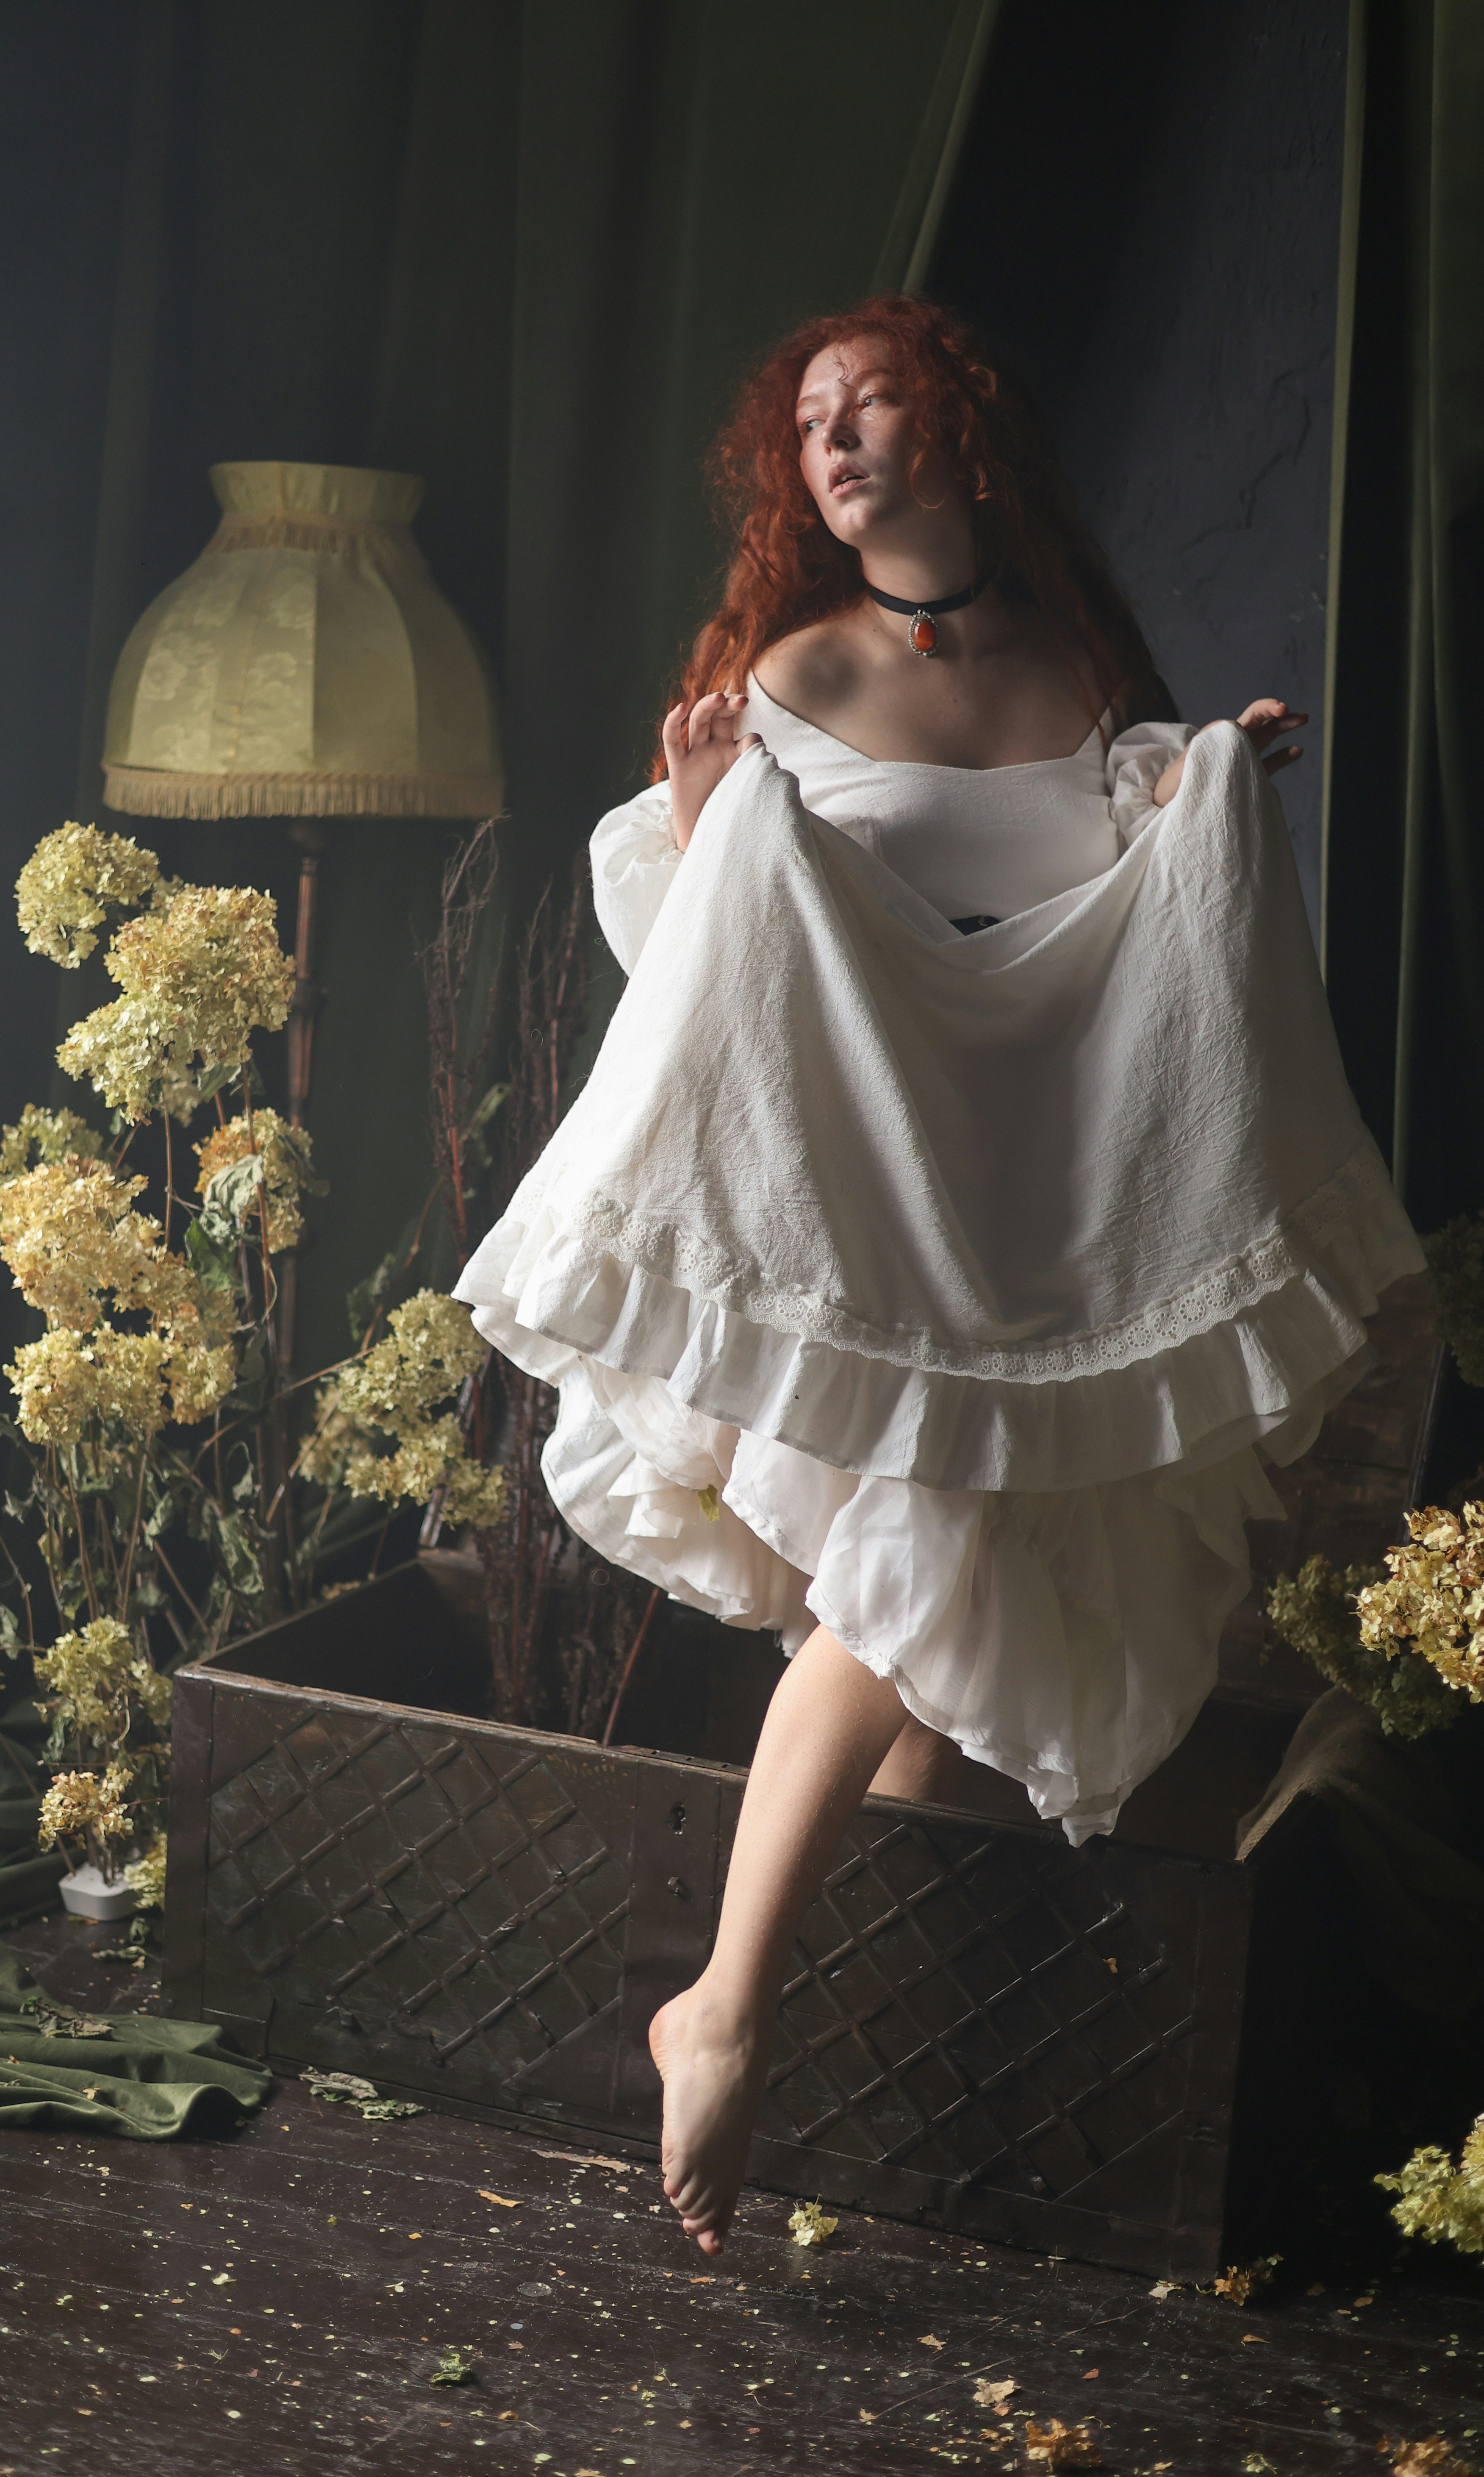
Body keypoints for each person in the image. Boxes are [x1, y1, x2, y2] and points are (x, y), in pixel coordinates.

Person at [455, 295, 1423, 2254]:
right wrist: (723, 817)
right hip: (875, 1245)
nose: (835, 437)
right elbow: (699, 942)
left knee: (992, 1662)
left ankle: (861, 2070)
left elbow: (1139, 945)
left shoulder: (1081, 673)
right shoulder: (788, 671)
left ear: (963, 427)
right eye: (807, 417)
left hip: (1052, 1244)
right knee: (931, 1588)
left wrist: (1201, 786)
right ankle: (723, 2009)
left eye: (871, 398)